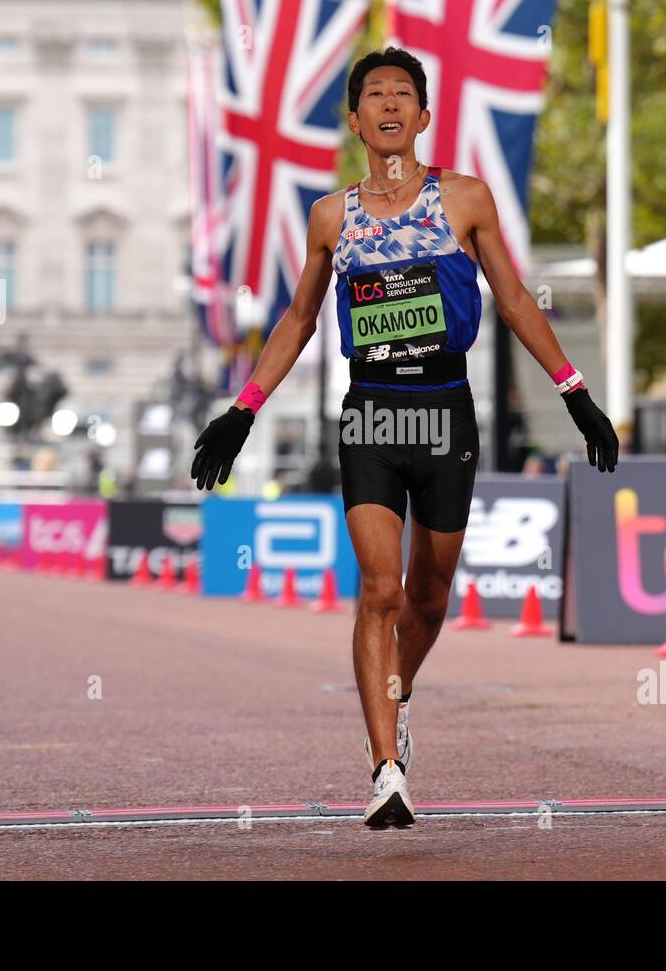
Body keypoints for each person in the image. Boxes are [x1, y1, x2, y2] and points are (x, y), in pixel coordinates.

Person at [190, 47, 619, 828]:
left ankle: (398, 695)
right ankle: (386, 767)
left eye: (403, 95)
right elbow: (298, 320)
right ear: (355, 121)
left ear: (423, 116)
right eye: (374, 96)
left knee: (427, 595)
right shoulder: (331, 217)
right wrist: (243, 408)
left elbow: (517, 299)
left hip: (446, 412)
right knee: (380, 590)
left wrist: (575, 393)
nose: (389, 105)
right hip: (373, 416)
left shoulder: (465, 200)